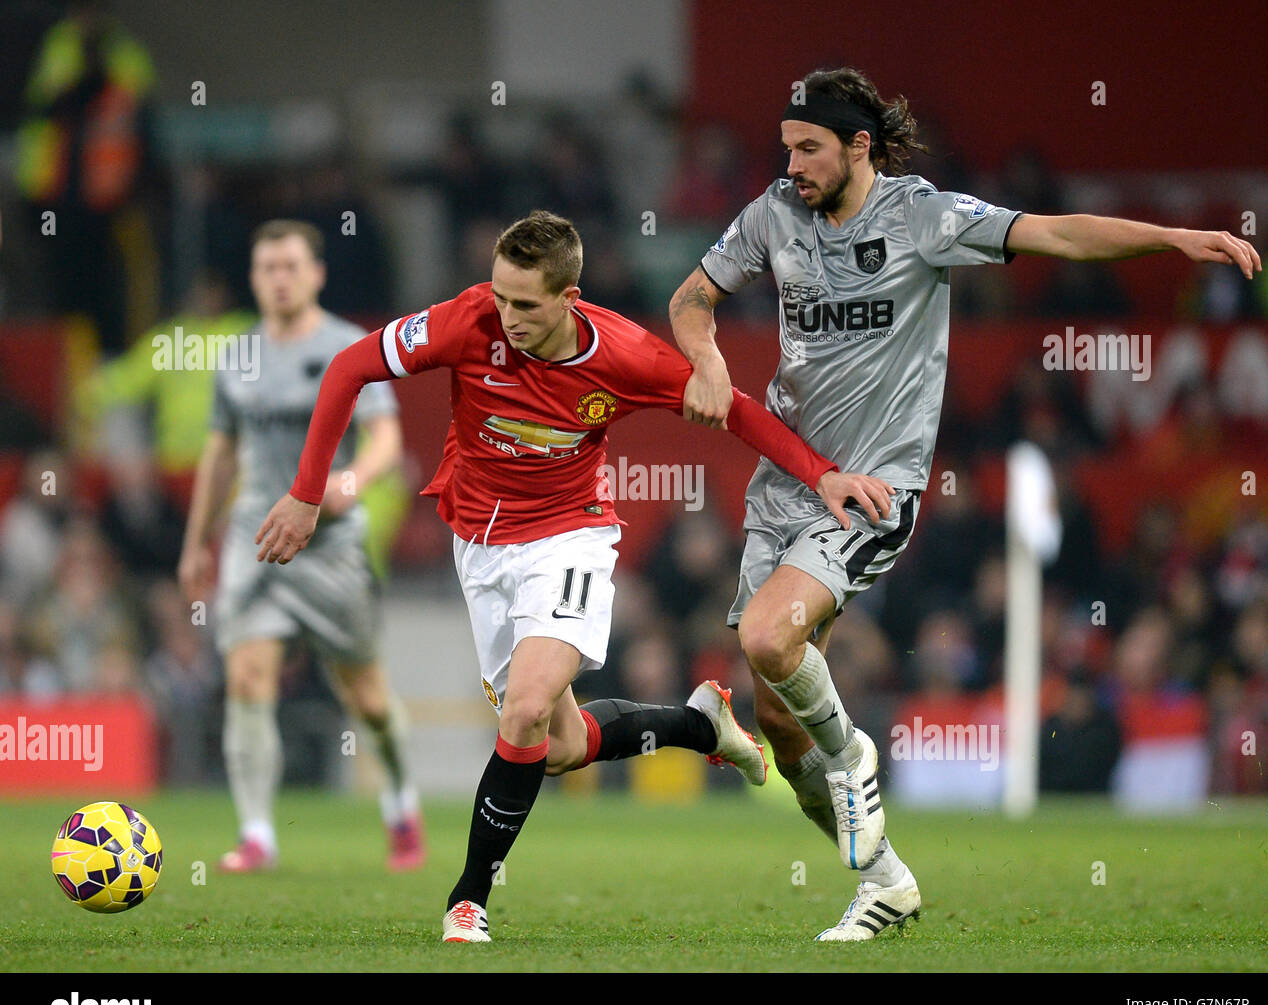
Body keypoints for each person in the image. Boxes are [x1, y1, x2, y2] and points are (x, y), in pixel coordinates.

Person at [666, 66, 1261, 940]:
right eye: (786, 147)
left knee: (766, 635)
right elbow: (690, 300)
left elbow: (1058, 234)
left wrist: (1170, 238)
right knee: (778, 731)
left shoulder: (923, 216)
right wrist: (709, 361)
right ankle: (885, 879)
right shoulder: (771, 216)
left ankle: (855, 755)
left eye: (808, 149)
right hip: (784, 484)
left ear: (858, 146)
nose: (789, 164)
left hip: (871, 490)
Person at [255, 210, 879, 942]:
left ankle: (468, 899)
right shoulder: (466, 321)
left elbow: (736, 411)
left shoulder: (625, 356)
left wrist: (823, 475)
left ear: (571, 296)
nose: (508, 318)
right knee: (554, 747)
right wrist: (306, 493)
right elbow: (350, 367)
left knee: (522, 712)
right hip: (479, 543)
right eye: (500, 297)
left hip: (568, 539)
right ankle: (696, 723)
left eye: (526, 304)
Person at [178, 220, 421, 873]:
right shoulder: (237, 356)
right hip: (256, 533)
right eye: (266, 267)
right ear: (253, 278)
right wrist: (196, 540)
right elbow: (221, 452)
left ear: (316, 273)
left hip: (332, 540)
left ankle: (400, 801)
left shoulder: (352, 348)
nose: (278, 278)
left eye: (290, 266)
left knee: (365, 696)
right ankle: (258, 833)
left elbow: (386, 441)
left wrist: (352, 480)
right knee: (247, 675)